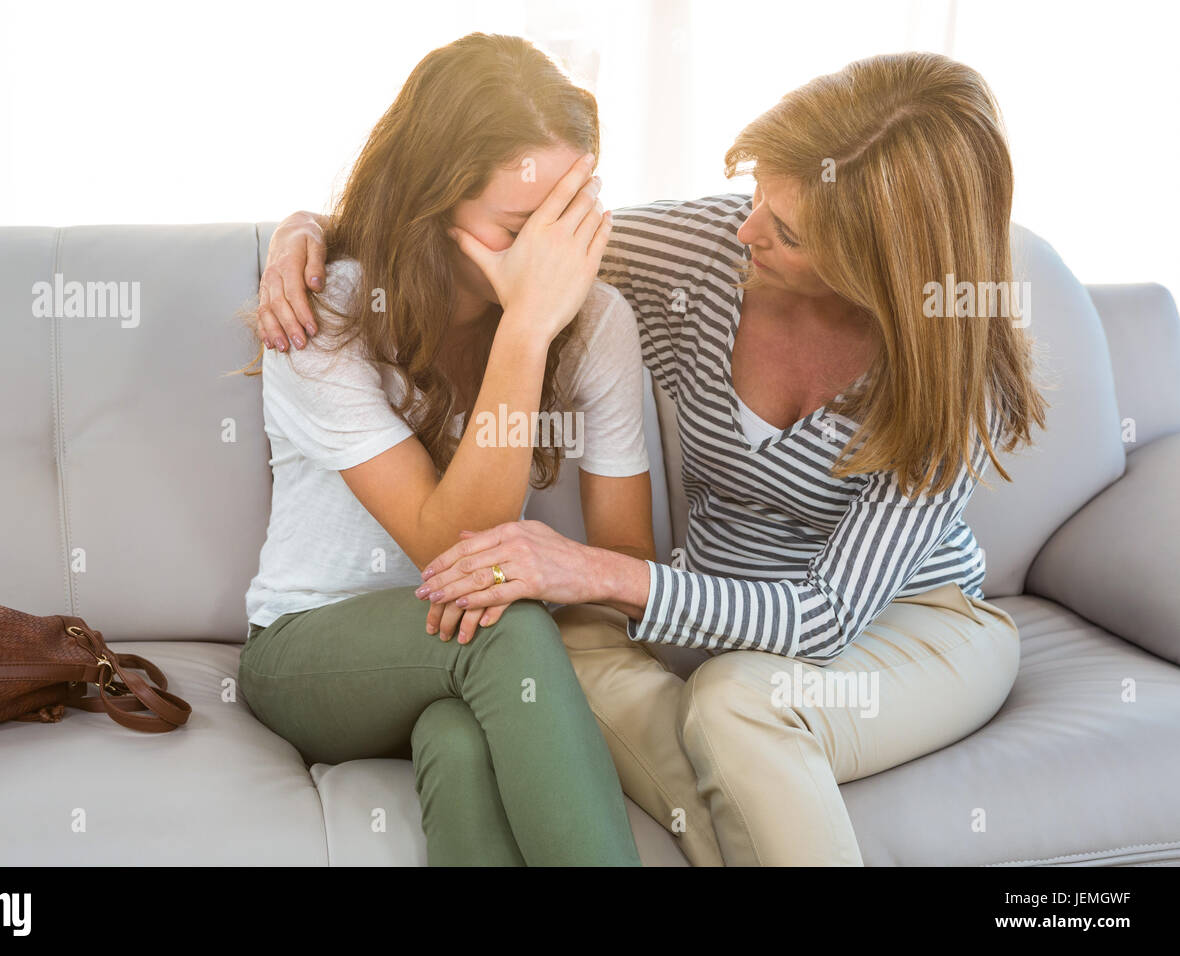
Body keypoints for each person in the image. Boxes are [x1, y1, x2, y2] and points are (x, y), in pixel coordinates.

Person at [257, 51, 1049, 867]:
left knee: (737, 703)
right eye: (756, 199)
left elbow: (823, 617)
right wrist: (303, 231)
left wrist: (593, 573)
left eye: (787, 231)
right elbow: (473, 236)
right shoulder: (703, 253)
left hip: (895, 626)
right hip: (704, 616)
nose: (748, 230)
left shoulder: (955, 368)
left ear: (881, 263)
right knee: (573, 650)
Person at [240, 32, 654, 866]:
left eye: (565, 218)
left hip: (460, 669)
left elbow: (622, 561)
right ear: (433, 199)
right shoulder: (326, 314)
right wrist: (528, 330)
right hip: (310, 650)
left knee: (463, 744)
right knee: (505, 624)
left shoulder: (599, 317)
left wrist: (545, 316)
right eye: (516, 225)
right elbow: (458, 554)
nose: (548, 254)